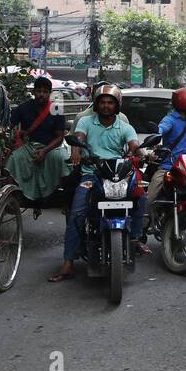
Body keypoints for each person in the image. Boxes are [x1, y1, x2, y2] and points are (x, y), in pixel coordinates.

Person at [50, 84, 142, 281]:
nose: (106, 106)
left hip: (117, 175)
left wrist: (142, 155)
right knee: (77, 215)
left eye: (110, 102)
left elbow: (134, 146)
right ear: (96, 104)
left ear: (116, 106)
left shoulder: (125, 126)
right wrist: (77, 151)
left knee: (140, 197)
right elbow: (78, 138)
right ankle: (68, 263)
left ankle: (135, 239)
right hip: (91, 175)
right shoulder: (85, 121)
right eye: (102, 102)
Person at [142, 86, 186, 242]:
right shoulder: (170, 119)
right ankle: (140, 232)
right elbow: (161, 130)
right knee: (149, 199)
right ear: (184, 104)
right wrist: (156, 136)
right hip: (168, 166)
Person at [8, 76, 71, 203]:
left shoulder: (56, 109)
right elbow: (9, 125)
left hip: (51, 147)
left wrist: (45, 151)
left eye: (45, 91)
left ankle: (67, 198)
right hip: (29, 146)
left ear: (49, 93)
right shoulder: (23, 108)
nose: (42, 94)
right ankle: (14, 196)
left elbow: (60, 137)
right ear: (33, 92)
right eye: (39, 91)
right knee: (12, 160)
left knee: (62, 159)